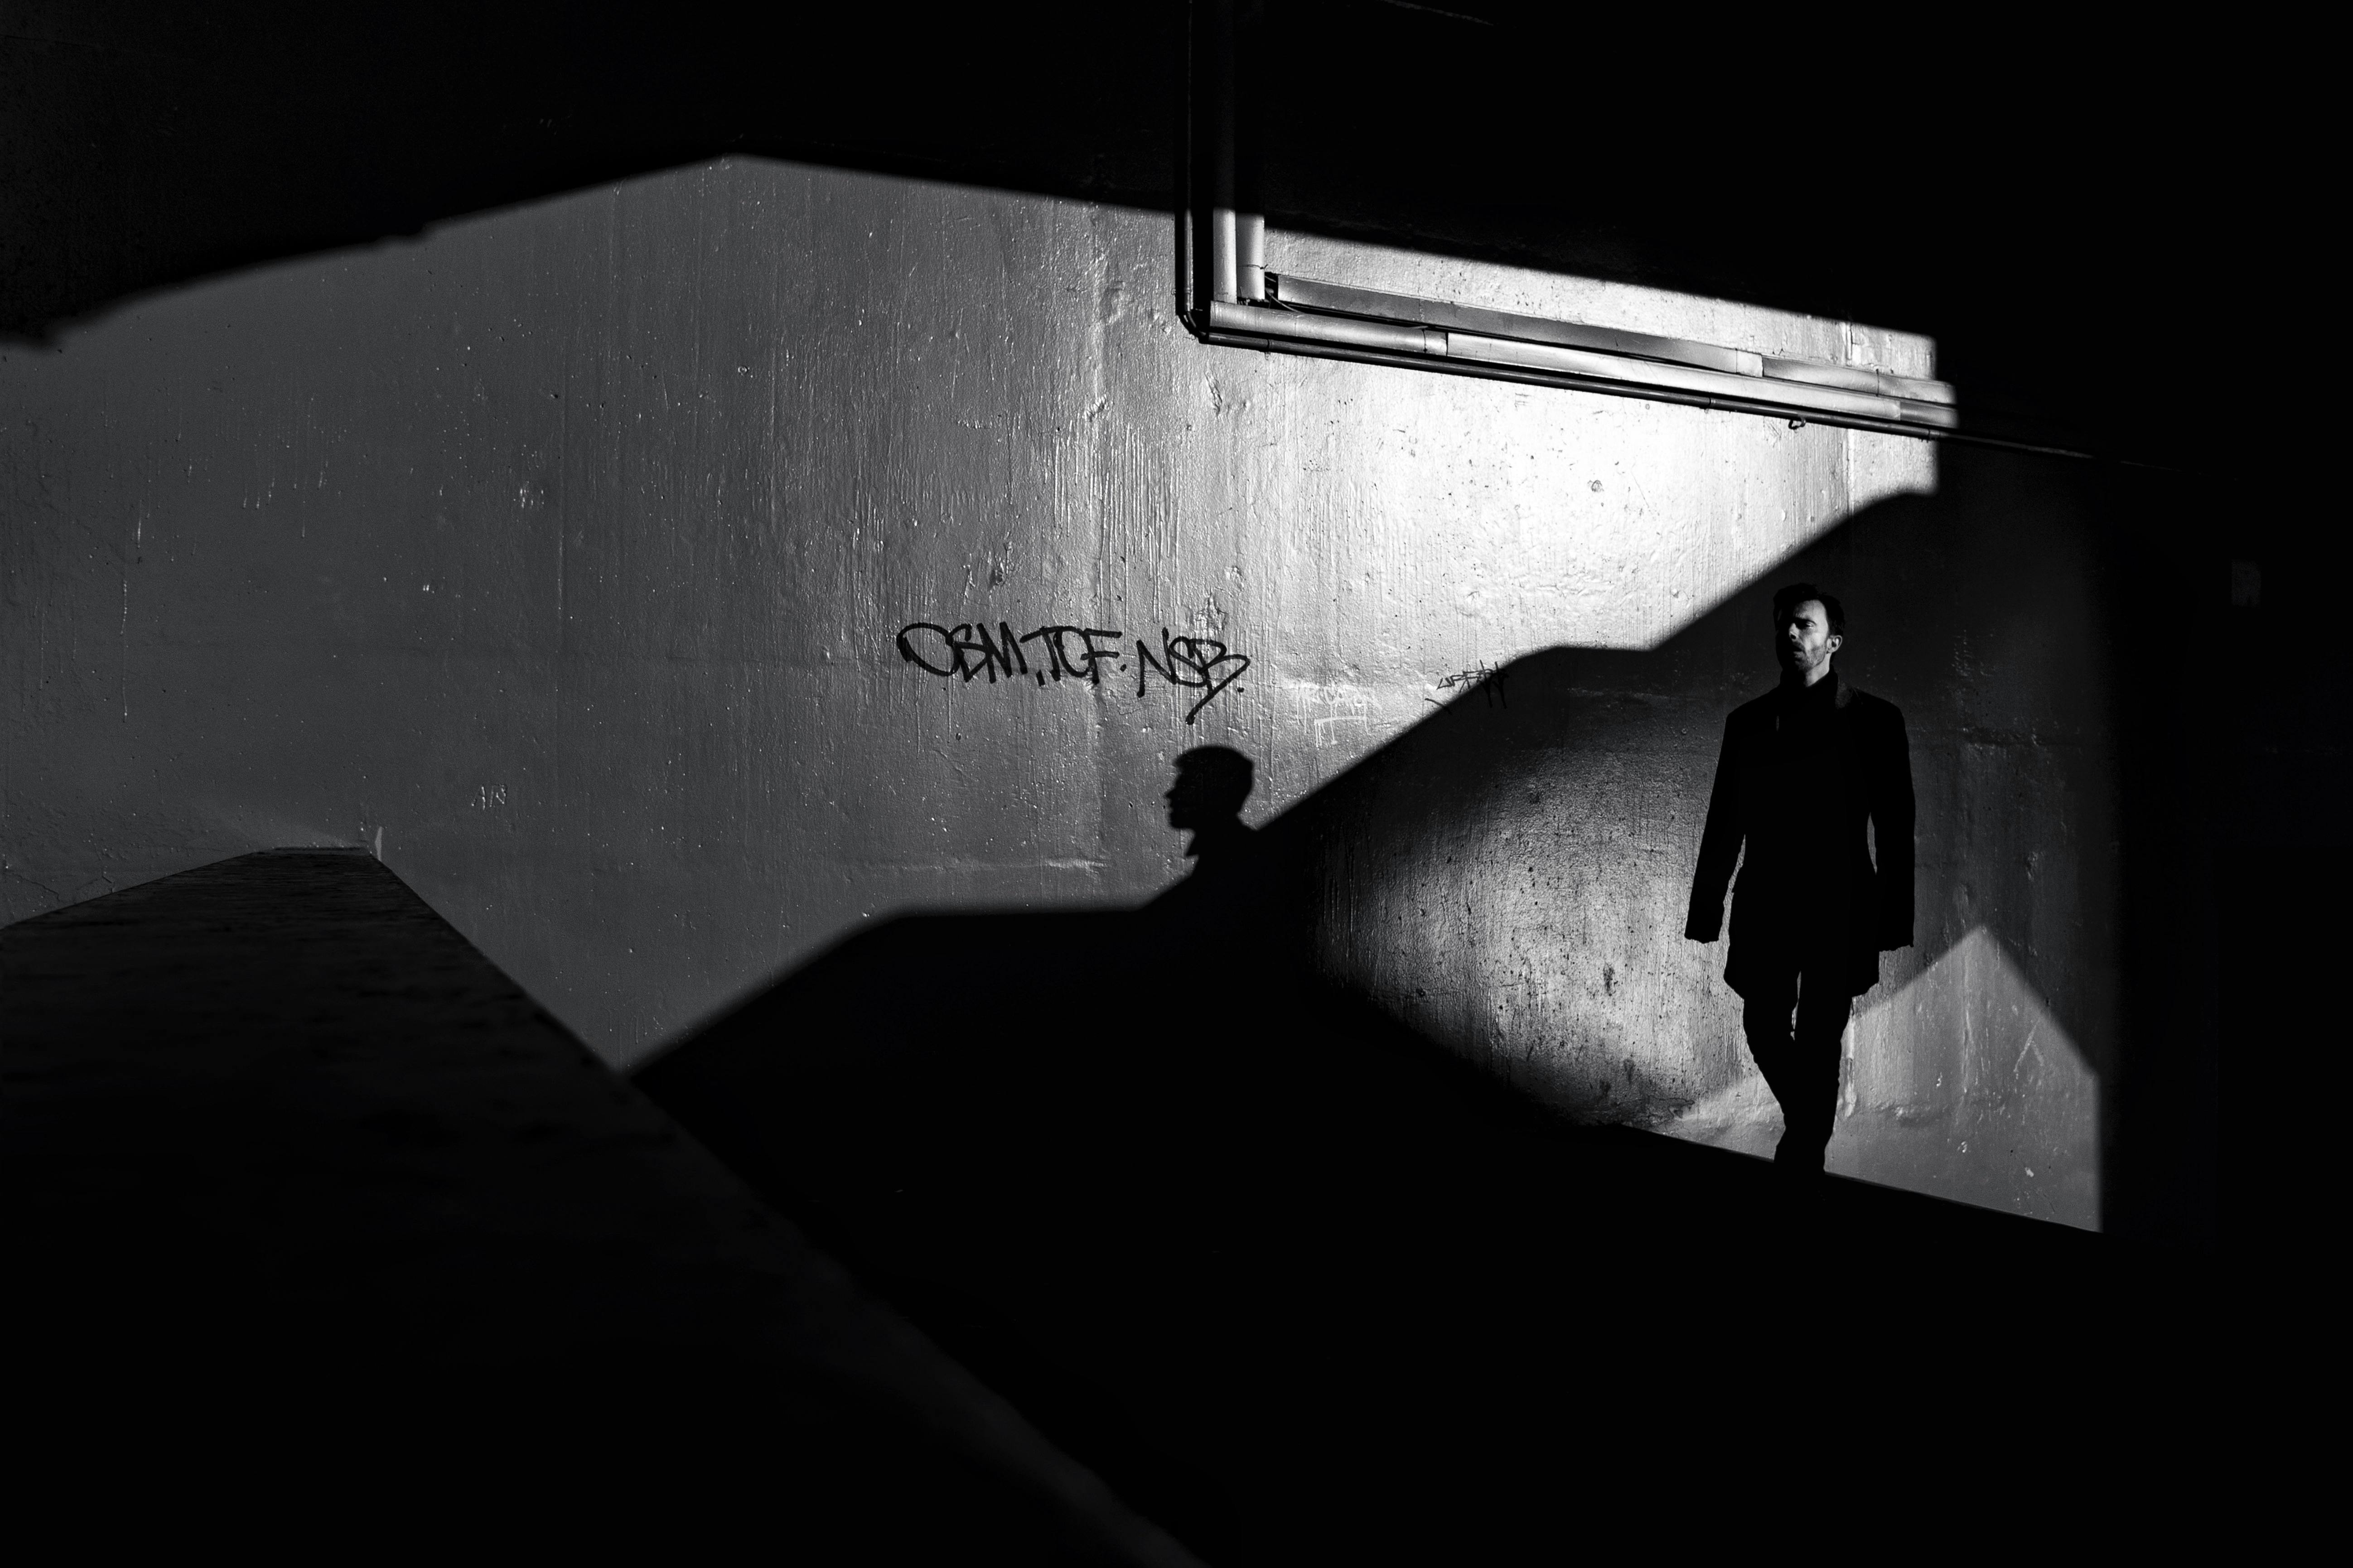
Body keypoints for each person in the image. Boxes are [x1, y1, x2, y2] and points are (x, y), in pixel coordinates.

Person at [1685, 584, 1914, 1172]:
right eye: (1785, 625)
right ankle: (1807, 1136)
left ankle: (1801, 1158)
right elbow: (1724, 822)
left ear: (1833, 641)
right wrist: (1705, 908)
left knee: (1819, 1033)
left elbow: (1895, 827)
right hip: (1766, 901)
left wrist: (1893, 916)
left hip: (1842, 904)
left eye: (1804, 626)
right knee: (1762, 1021)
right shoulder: (1750, 723)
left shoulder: (1878, 722)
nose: (1790, 634)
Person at [1163, 745, 1259, 871]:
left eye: (1184, 786)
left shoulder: (1228, 859)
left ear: (1213, 793)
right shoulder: (1235, 851)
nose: (1170, 795)